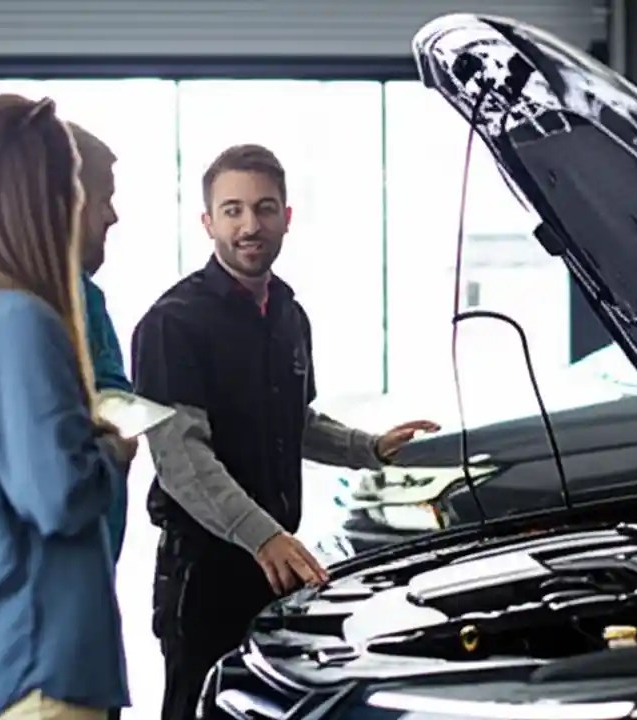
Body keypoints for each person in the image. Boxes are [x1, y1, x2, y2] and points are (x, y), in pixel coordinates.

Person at [130, 143, 439, 719]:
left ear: (287, 217)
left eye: (265, 208)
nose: (250, 225)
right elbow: (181, 460)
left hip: (274, 568)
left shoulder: (289, 314)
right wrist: (263, 536)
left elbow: (292, 421)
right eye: (233, 210)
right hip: (206, 571)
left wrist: (368, 448)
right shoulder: (172, 323)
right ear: (207, 222)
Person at [0, 93, 135, 720]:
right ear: (40, 192)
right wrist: (111, 449)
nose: (89, 206)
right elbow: (59, 496)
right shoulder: (21, 323)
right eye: (71, 181)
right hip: (42, 666)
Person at [66, 122, 130, 720]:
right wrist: (117, 446)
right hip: (54, 624)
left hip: (92, 578)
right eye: (105, 197)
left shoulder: (89, 298)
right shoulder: (29, 315)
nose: (113, 216)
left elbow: (111, 389)